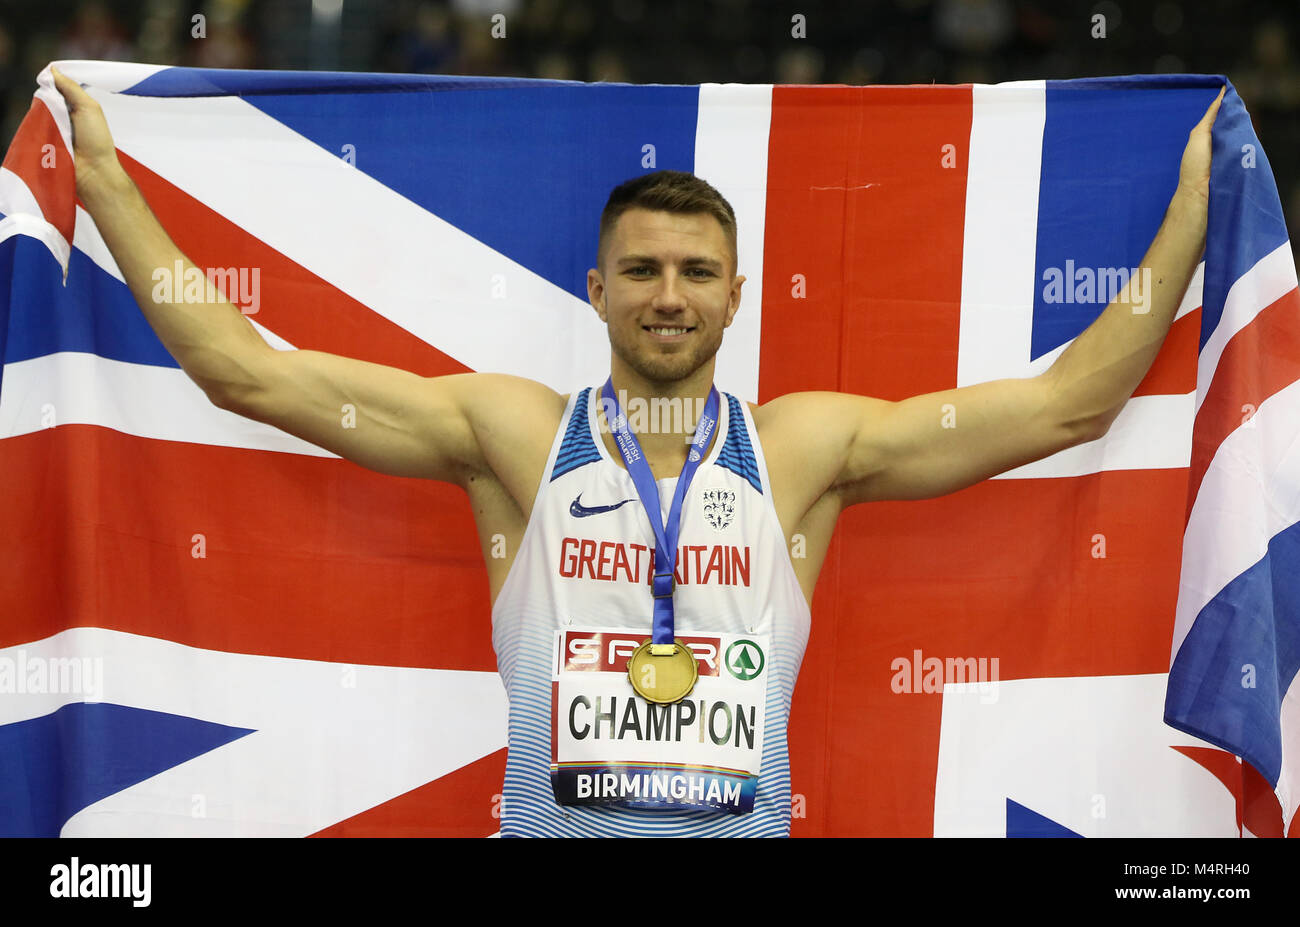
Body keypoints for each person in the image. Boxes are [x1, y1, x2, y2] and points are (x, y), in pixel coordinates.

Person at [51, 67, 1224, 836]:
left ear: (735, 299)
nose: (670, 297)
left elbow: (1067, 405)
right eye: (646, 272)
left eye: (697, 274)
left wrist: (1187, 213)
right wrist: (104, 180)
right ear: (597, 288)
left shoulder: (800, 451)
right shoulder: (514, 437)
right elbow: (248, 373)